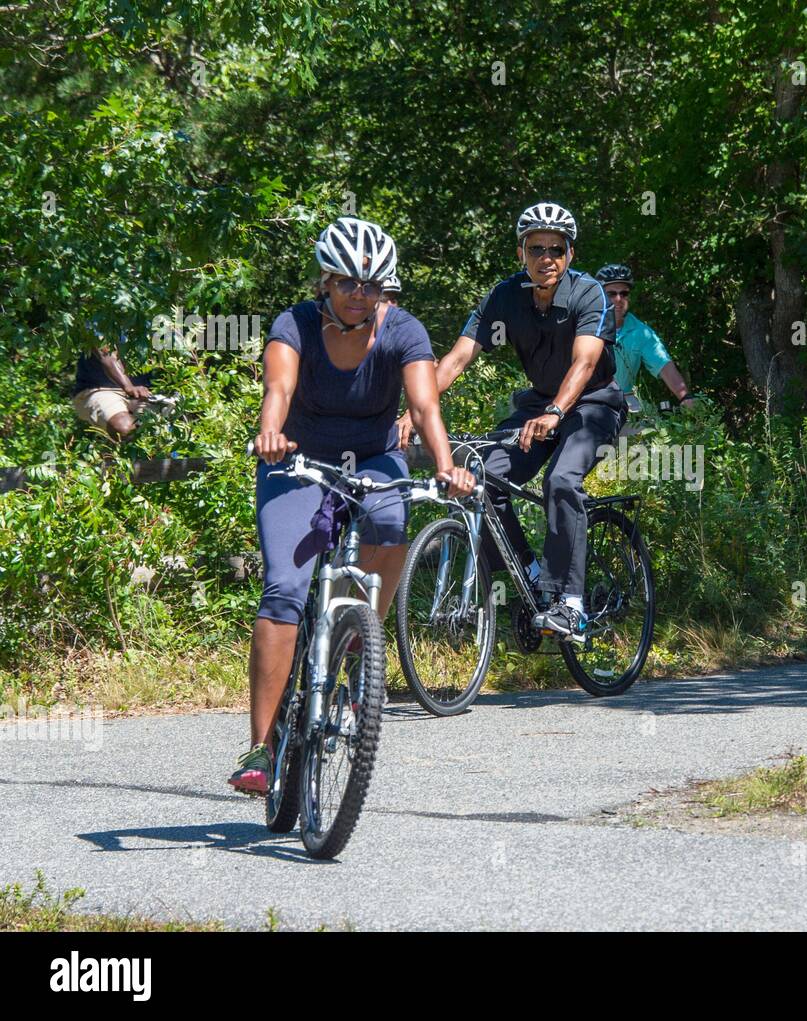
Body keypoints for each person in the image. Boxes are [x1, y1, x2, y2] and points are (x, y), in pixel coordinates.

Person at [231, 216, 474, 794]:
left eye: (369, 285)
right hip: (298, 459)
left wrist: (444, 466)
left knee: (391, 520)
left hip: (372, 458)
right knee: (285, 589)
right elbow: (279, 389)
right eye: (346, 283)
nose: (358, 294)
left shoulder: (404, 331)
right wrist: (270, 434)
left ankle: (363, 638)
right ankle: (260, 750)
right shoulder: (294, 323)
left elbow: (424, 405)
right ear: (326, 282)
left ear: (382, 287)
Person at [435, 202, 625, 642]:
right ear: (521, 251)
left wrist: (556, 413)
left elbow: (584, 363)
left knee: (560, 481)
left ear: (570, 254)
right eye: (536, 248)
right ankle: (533, 577)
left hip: (593, 405)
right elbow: (459, 356)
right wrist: (414, 412)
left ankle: (570, 604)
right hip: (540, 405)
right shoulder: (505, 295)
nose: (547, 258)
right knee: (480, 478)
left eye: (556, 249)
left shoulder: (589, 293)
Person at [595, 263, 696, 411]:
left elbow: (664, 365)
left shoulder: (641, 331)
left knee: (649, 428)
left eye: (624, 293)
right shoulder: (585, 324)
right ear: (600, 295)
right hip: (587, 401)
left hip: (625, 401)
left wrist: (685, 397)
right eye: (611, 294)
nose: (618, 299)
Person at [71, 331, 154, 441]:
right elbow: (107, 355)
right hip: (100, 390)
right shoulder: (99, 318)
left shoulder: (162, 319)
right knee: (123, 427)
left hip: (143, 393)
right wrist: (128, 386)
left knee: (156, 430)